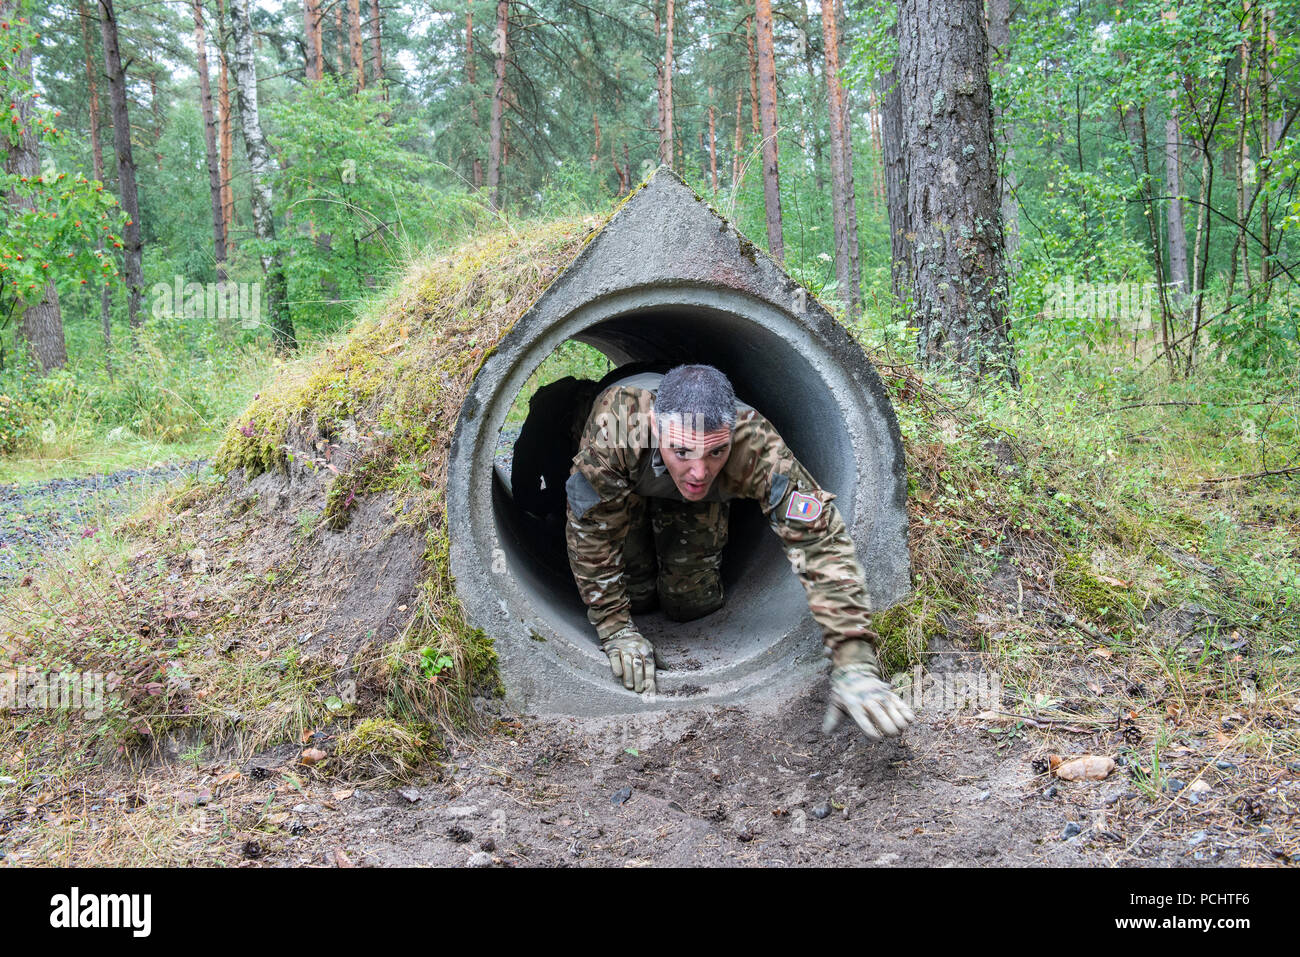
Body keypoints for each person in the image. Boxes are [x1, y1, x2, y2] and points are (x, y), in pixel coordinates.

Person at [564, 363, 915, 740]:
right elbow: (591, 529)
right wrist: (615, 628)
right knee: (636, 592)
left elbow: (819, 539)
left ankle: (679, 497)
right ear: (654, 425)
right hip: (625, 485)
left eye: (716, 452)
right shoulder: (618, 426)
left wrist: (854, 662)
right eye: (683, 450)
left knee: (690, 602)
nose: (699, 470)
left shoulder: (756, 443)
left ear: (733, 433)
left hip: (698, 500)